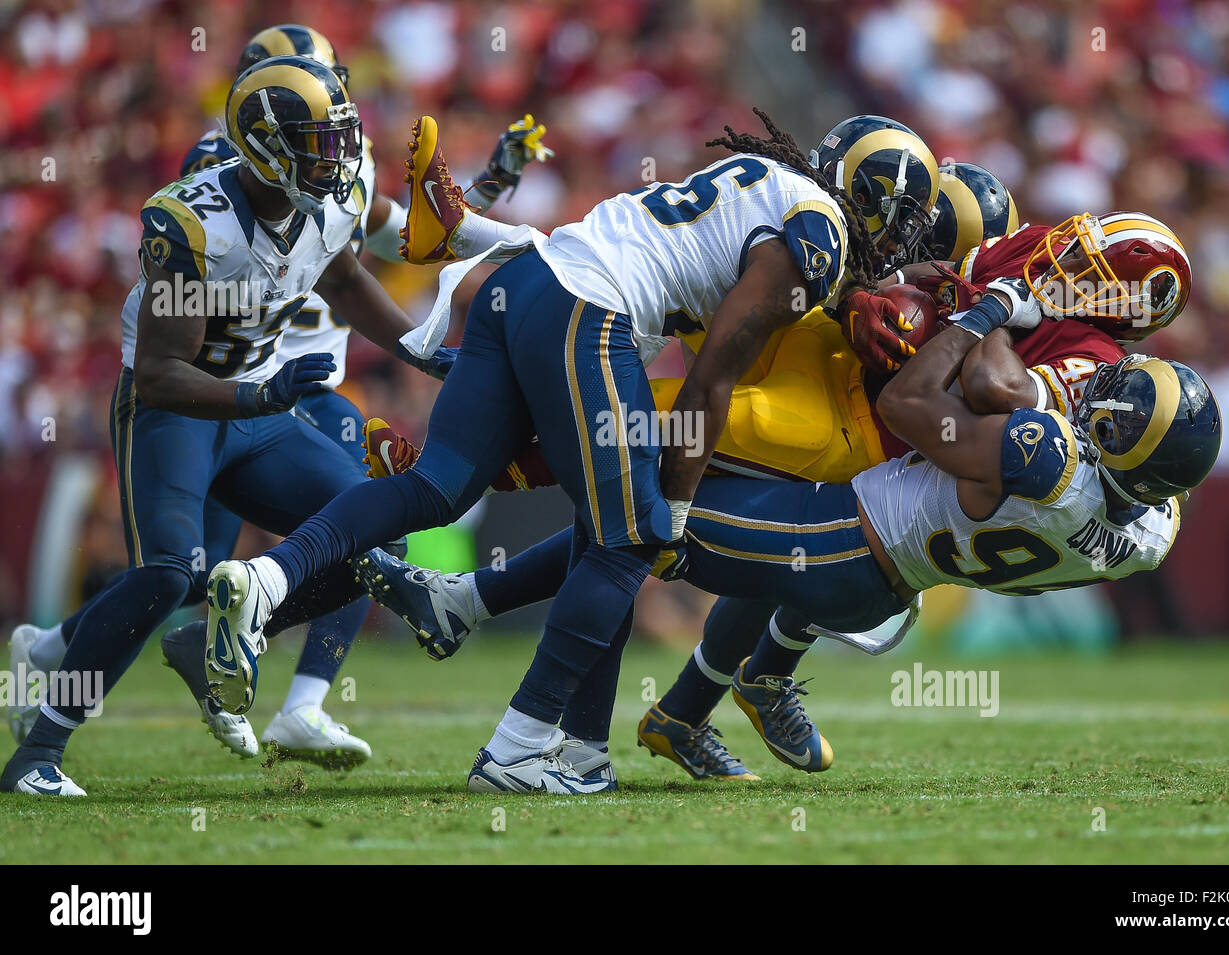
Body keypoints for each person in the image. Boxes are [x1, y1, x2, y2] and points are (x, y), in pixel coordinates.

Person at [202, 108, 893, 795]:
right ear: (868, 199)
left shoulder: (765, 182)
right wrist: (676, 512)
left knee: (439, 488)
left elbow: (630, 258)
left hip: (527, 288)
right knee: (633, 538)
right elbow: (709, 379)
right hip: (586, 312)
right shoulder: (818, 232)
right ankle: (518, 748)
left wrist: (469, 228)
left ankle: (268, 578)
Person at [356, 276, 1221, 776]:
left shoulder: (1046, 454)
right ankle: (673, 702)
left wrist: (986, 315)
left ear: (1122, 457)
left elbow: (910, 402)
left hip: (842, 539)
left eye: (1113, 413)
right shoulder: (1153, 529)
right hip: (871, 572)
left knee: (633, 511)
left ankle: (535, 718)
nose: (1099, 395)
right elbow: (1117, 469)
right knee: (646, 514)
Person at [2, 55, 419, 796]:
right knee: (169, 573)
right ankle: (39, 750)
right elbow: (162, 372)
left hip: (255, 406)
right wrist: (260, 399)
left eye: (337, 139)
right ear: (264, 146)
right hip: (177, 411)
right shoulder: (193, 224)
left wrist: (423, 348)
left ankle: (223, 635)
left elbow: (349, 277)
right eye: (316, 142)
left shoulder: (328, 202)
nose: (336, 158)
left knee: (375, 529)